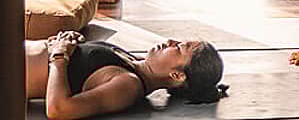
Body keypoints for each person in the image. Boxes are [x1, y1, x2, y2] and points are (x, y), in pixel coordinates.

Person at [25, 31, 226, 119]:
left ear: (177, 76)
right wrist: (70, 40)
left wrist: (59, 55)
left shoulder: (128, 86)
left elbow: (59, 110)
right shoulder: (134, 62)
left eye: (179, 48)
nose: (170, 41)